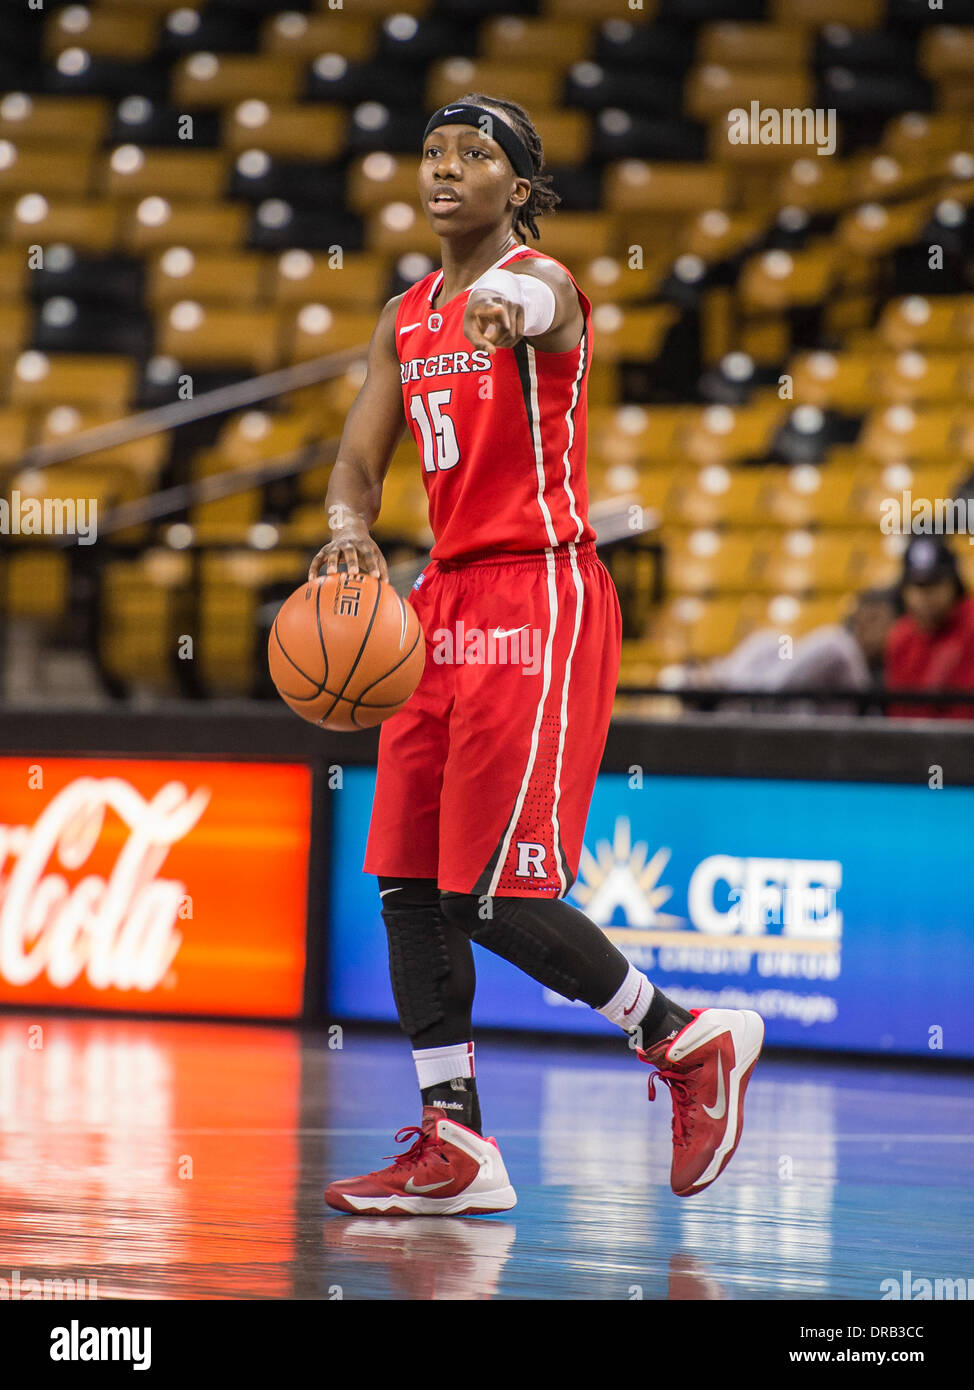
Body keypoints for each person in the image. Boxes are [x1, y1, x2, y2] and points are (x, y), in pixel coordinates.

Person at [309, 95, 763, 1215]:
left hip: (539, 591)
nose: (446, 168)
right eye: (432, 152)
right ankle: (454, 1140)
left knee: (490, 893)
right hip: (440, 604)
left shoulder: (543, 287)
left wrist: (506, 301)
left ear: (517, 188)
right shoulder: (401, 318)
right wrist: (348, 531)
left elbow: (539, 293)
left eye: (476, 156)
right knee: (406, 882)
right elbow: (355, 466)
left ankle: (683, 1038)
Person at [673, 589, 898, 714]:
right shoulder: (838, 643)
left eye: (880, 621)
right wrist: (715, 681)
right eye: (867, 619)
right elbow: (775, 683)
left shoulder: (841, 647)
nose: (873, 629)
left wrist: (721, 685)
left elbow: (776, 685)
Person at [885, 536, 974, 719]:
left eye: (935, 584)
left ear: (954, 585)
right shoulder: (901, 637)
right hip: (918, 744)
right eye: (918, 586)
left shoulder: (971, 623)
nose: (926, 596)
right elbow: (899, 715)